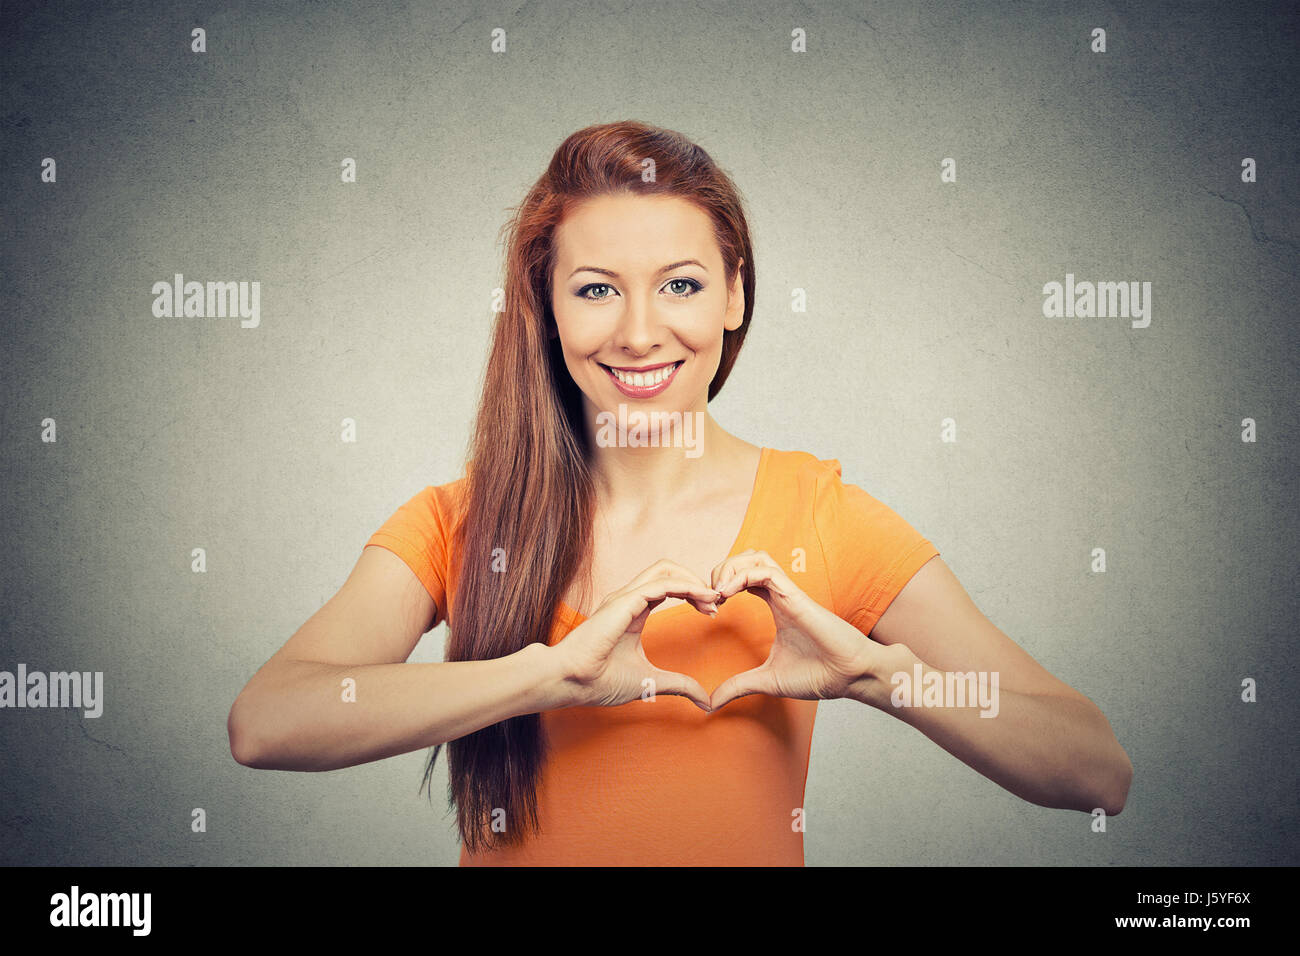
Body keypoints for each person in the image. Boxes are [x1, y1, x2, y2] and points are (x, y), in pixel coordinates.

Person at [227, 120, 1133, 866]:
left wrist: (878, 675)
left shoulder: (821, 515)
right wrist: (546, 675)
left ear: (736, 295)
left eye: (682, 285)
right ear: (545, 309)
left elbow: (1095, 767)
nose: (639, 331)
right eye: (595, 290)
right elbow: (269, 722)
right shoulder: (459, 524)